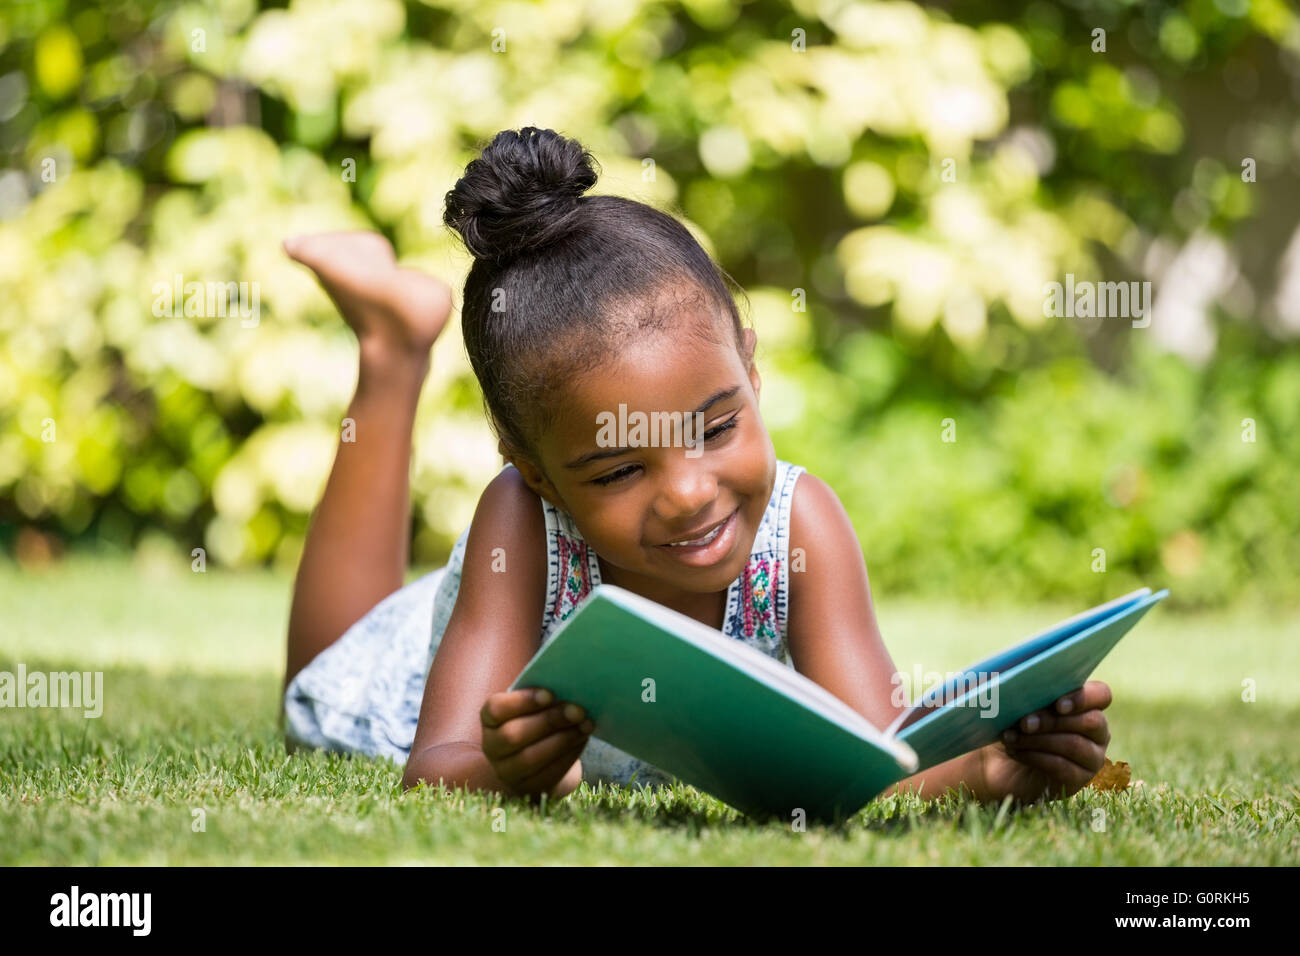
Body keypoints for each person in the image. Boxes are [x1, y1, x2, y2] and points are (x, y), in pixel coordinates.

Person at [281, 126, 1114, 807]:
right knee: (319, 674)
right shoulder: (520, 521)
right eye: (616, 473)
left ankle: (398, 337)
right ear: (530, 465)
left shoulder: (803, 527)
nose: (687, 494)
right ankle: (392, 351)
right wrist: (507, 769)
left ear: (751, 371)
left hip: (472, 615)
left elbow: (879, 756)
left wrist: (993, 769)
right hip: (416, 667)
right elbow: (437, 764)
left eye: (715, 429)